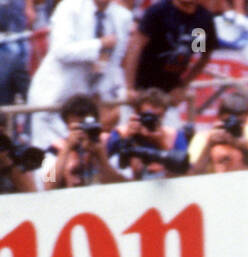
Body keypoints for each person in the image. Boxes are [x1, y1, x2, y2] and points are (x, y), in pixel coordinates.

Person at [27, 0, 134, 150]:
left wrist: (104, 93)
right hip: (51, 98)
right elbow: (61, 51)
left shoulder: (122, 17)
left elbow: (113, 63)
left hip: (82, 104)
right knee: (49, 158)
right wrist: (99, 44)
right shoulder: (69, 7)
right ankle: (50, 174)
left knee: (78, 157)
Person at [123, 0, 218, 103]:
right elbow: (135, 48)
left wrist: (183, 85)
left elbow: (203, 56)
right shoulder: (159, 11)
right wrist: (130, 87)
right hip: (141, 85)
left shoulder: (202, 20)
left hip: (170, 90)